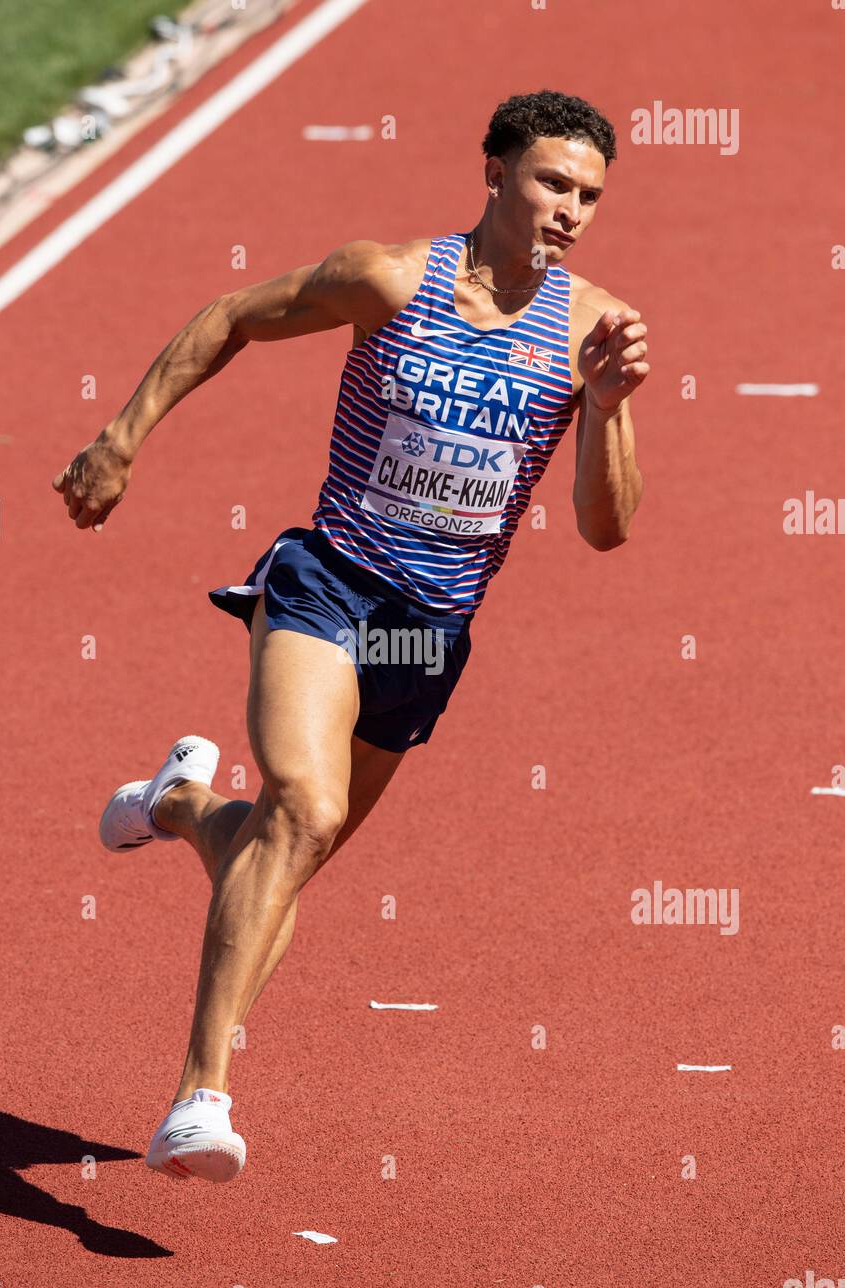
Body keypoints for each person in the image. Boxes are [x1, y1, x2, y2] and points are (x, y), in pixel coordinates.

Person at [52, 90, 647, 1183]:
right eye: (551, 182)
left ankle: (179, 802)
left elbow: (607, 531)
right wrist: (121, 434)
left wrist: (606, 407)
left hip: (429, 633)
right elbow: (235, 311)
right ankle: (199, 1095)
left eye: (589, 195)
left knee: (287, 853)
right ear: (494, 173)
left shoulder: (589, 331)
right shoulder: (388, 277)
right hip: (329, 581)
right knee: (304, 807)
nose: (569, 209)